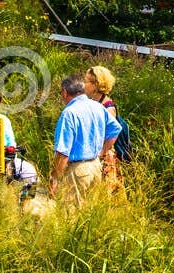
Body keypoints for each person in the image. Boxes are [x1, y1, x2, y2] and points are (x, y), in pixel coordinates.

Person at [49, 74, 120, 204]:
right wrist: (102, 151)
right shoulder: (97, 106)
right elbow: (115, 129)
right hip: (95, 167)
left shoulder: (69, 113)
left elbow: (63, 152)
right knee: (89, 212)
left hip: (77, 171)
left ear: (65, 92)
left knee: (71, 212)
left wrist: (55, 178)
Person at [0, 84, 36, 185]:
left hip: (4, 159)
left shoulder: (4, 120)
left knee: (29, 171)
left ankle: (24, 195)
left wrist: (10, 159)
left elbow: (12, 144)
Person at [84, 64, 126, 189]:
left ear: (96, 84)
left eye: (86, 81)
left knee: (104, 191)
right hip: (92, 153)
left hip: (104, 156)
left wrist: (101, 153)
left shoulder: (108, 107)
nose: (84, 84)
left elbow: (113, 133)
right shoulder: (93, 102)